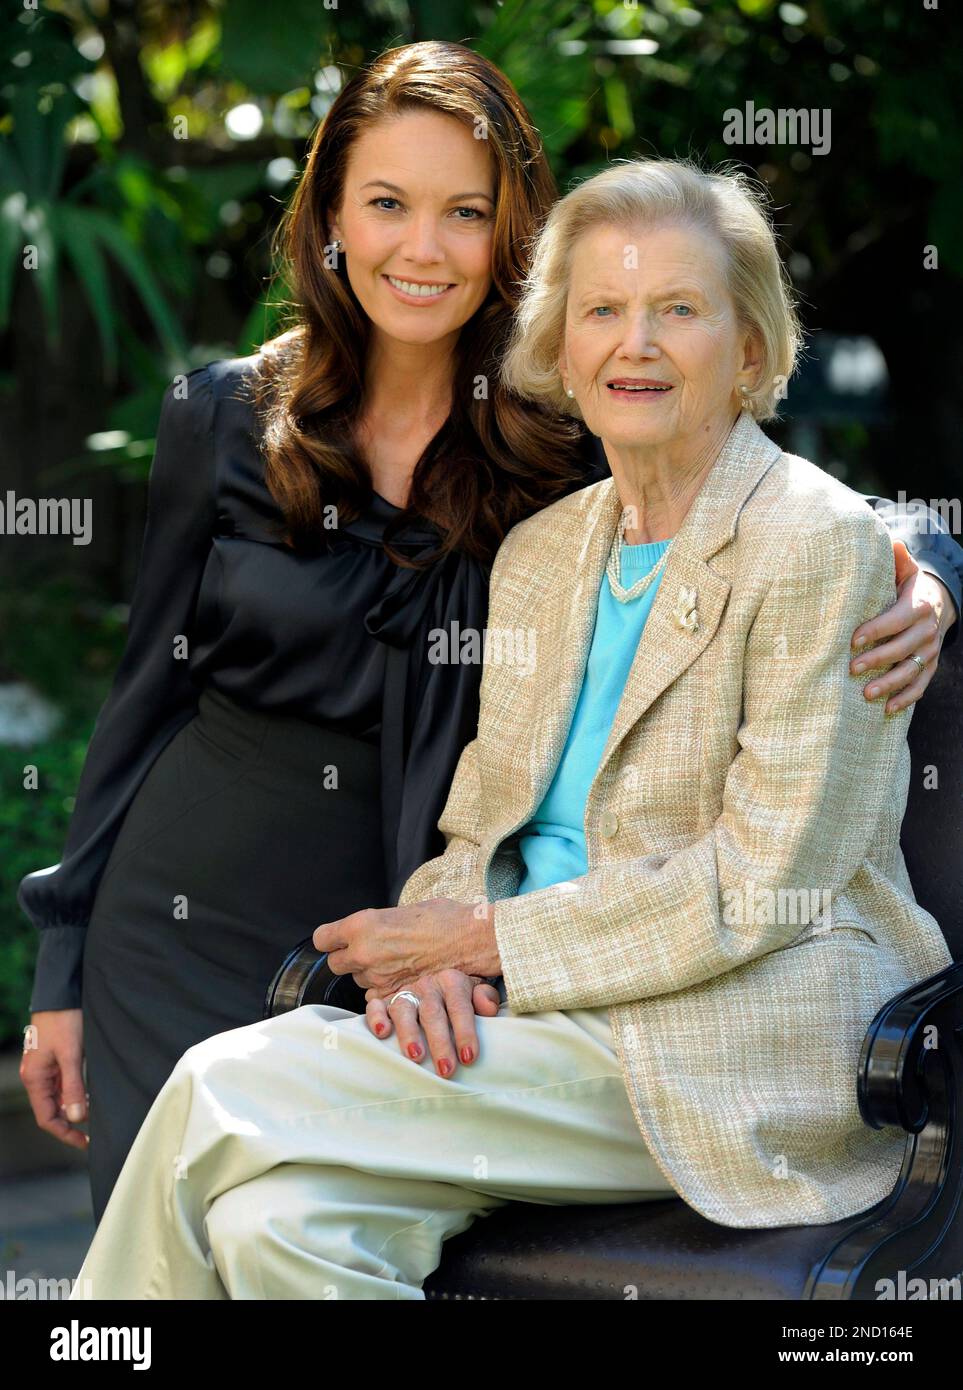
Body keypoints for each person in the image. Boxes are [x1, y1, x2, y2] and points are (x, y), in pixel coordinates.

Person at [19, 44, 960, 1227]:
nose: (423, 248)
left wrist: (932, 572)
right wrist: (63, 967)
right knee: (191, 1217)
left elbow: (781, 498)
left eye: (465, 212)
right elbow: (141, 700)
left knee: (270, 1215)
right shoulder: (221, 416)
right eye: (387, 205)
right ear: (329, 223)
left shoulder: (564, 429)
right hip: (185, 911)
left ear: (510, 236)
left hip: (406, 917)